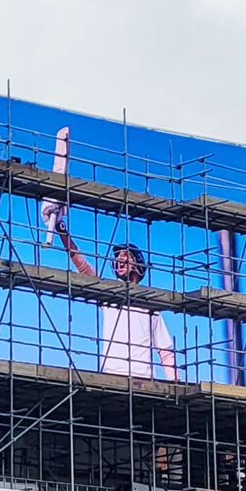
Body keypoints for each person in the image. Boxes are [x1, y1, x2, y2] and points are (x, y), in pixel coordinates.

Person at [45, 129, 178, 379]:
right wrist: (62, 229)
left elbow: (165, 350)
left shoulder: (151, 306)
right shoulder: (109, 296)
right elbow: (83, 267)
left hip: (142, 380)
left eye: (124, 257)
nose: (119, 261)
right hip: (112, 376)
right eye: (117, 259)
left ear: (138, 266)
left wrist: (176, 387)